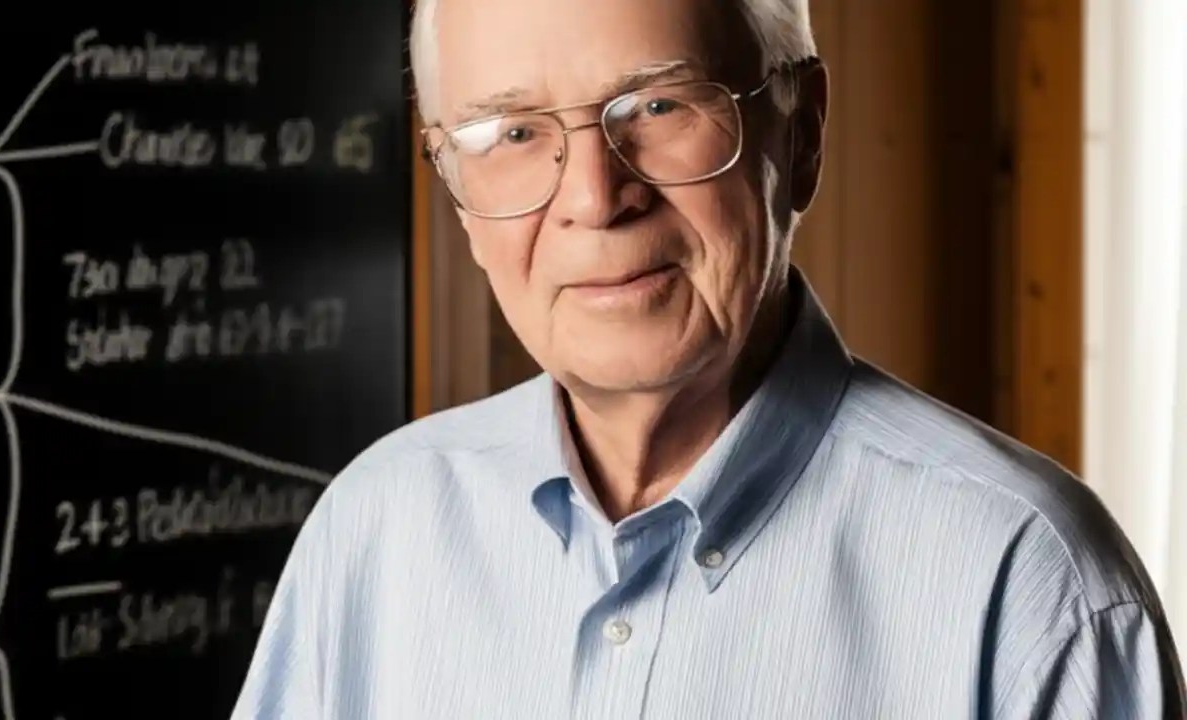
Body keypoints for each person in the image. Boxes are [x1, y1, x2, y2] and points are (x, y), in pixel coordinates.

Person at [232, 0, 1187, 716]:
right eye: (514, 133)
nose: (595, 199)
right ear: (452, 185)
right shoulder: (374, 533)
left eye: (657, 104)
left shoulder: (1031, 586)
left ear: (802, 132)